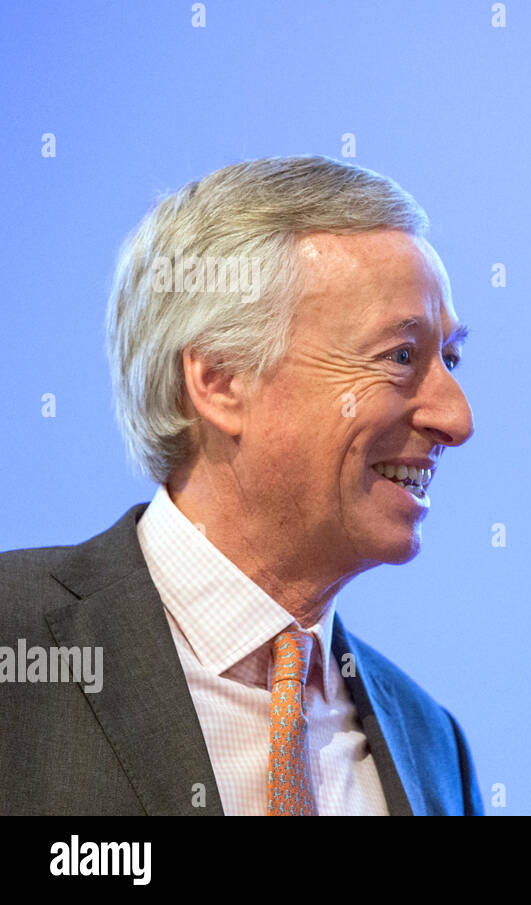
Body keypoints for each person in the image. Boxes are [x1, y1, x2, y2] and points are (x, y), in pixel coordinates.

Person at [0, 156, 482, 815]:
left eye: (449, 357)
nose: (456, 418)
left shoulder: (432, 744)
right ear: (221, 380)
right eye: (401, 356)